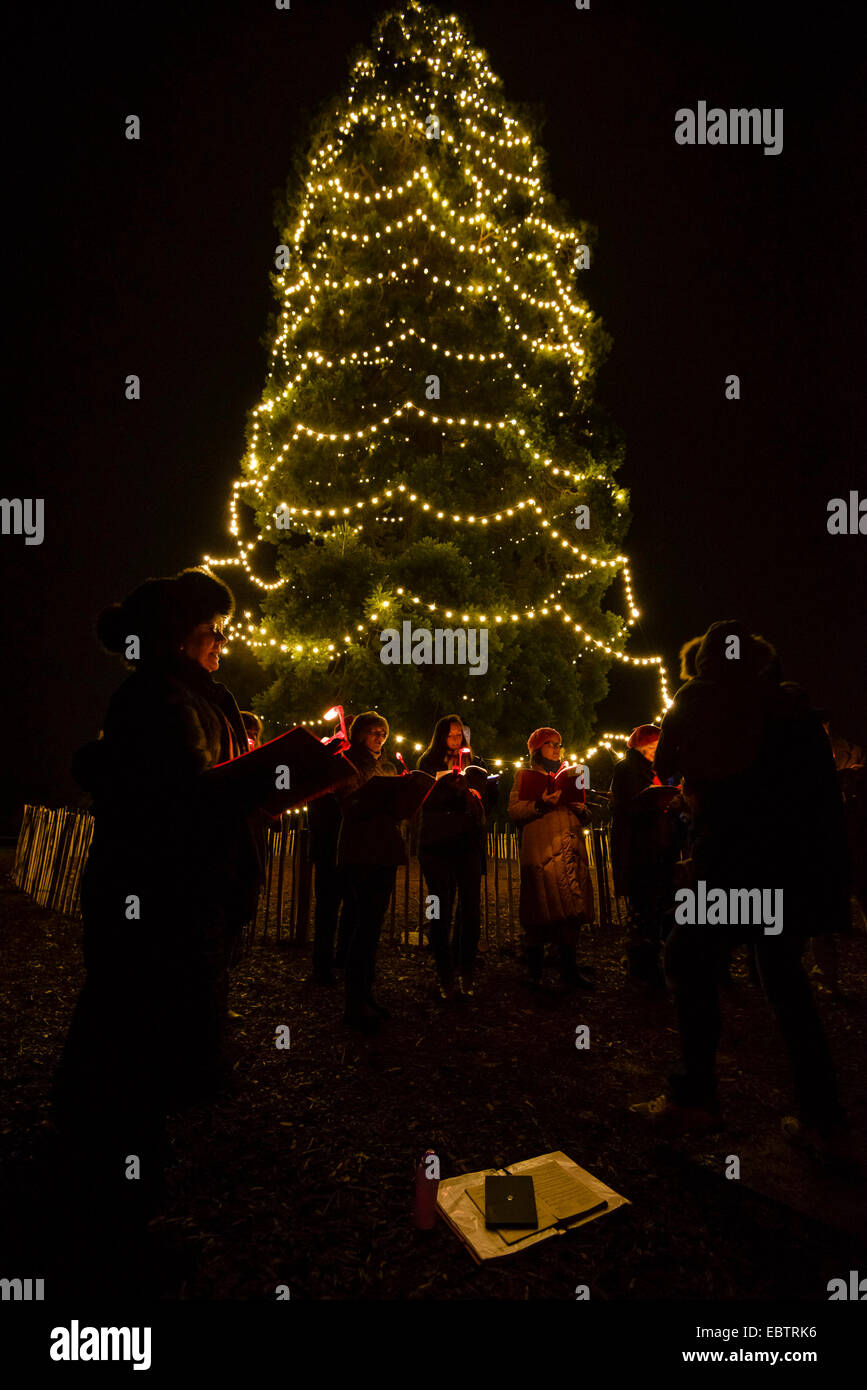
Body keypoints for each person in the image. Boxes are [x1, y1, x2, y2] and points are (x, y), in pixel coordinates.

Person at [54, 568, 268, 1279]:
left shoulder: (186, 695)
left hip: (175, 903)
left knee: (135, 1056)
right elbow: (175, 806)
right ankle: (115, 1233)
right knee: (132, 1060)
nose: (221, 646)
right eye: (213, 633)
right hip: (155, 909)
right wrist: (258, 784)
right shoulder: (158, 698)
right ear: (183, 635)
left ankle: (123, 1200)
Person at [631, 620, 852, 1163]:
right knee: (785, 979)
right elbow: (817, 796)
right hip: (792, 868)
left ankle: (696, 1099)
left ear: (703, 660)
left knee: (686, 957)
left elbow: (667, 763)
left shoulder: (700, 698)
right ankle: (826, 1122)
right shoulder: (791, 709)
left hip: (733, 862)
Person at [508, 728, 595, 991]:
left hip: (570, 846)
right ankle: (534, 974)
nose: (556, 748)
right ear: (536, 749)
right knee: (540, 909)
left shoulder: (571, 774)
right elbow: (514, 811)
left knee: (571, 911)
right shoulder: (524, 776)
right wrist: (541, 803)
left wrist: (582, 810)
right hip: (541, 850)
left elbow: (584, 808)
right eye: (550, 744)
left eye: (558, 744)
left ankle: (569, 970)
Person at [336, 711, 406, 1033]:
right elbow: (347, 802)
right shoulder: (348, 763)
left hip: (385, 850)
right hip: (361, 851)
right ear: (359, 734)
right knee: (361, 924)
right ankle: (354, 1000)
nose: (380, 737)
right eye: (373, 732)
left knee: (374, 924)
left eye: (383, 732)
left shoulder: (390, 766)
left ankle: (367, 992)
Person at [417, 715, 489, 999]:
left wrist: (474, 793)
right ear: (440, 737)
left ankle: (466, 966)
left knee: (471, 908)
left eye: (459, 734)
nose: (456, 739)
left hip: (468, 841)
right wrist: (447, 789)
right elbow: (422, 799)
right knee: (440, 907)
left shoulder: (475, 763)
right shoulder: (428, 762)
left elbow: (486, 796)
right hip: (437, 842)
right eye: (450, 735)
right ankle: (444, 972)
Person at [610, 724, 679, 988]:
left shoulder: (654, 770)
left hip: (658, 846)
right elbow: (626, 807)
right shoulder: (626, 769)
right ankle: (642, 965)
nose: (654, 753)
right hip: (639, 850)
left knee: (658, 908)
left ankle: (649, 961)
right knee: (643, 909)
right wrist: (652, 802)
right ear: (639, 747)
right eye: (651, 748)